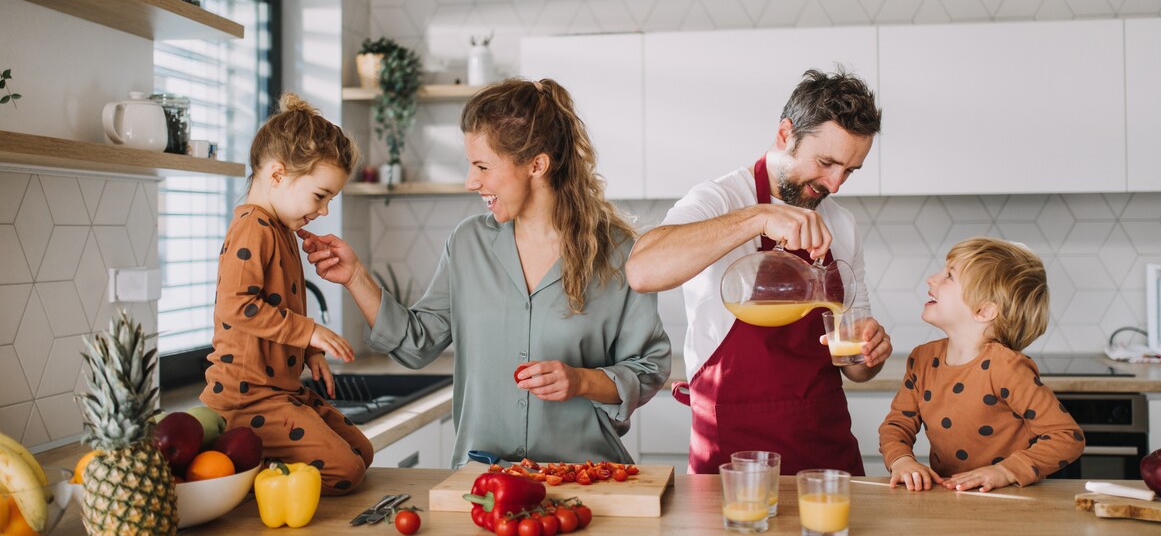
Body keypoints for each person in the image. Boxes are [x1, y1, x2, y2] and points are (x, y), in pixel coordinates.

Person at [299, 78, 671, 467]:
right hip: (485, 481)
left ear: (537, 165)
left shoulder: (616, 254)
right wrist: (355, 276)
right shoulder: (467, 244)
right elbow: (415, 343)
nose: (470, 181)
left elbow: (649, 367)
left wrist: (581, 381)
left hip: (585, 475)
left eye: (482, 166)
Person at [625, 67, 892, 476]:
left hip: (826, 452)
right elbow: (642, 270)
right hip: (732, 456)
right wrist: (758, 218)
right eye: (826, 163)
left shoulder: (841, 225)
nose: (835, 184)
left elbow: (855, 366)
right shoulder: (718, 199)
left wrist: (868, 354)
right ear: (786, 134)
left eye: (849, 170)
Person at [201, 93, 372, 495]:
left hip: (280, 390)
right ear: (277, 175)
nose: (325, 210)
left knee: (361, 452)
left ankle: (249, 467)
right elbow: (236, 305)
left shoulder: (280, 229)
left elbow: (277, 307)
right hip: (248, 399)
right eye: (320, 195)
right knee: (346, 470)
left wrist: (310, 353)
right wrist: (309, 331)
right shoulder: (251, 228)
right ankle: (243, 472)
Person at [880, 237, 1084, 492]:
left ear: (984, 311)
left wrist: (1005, 471)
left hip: (1009, 499)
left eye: (949, 276)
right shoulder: (921, 360)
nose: (931, 279)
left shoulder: (1006, 368)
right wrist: (901, 460)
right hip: (950, 498)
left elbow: (1067, 437)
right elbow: (896, 424)